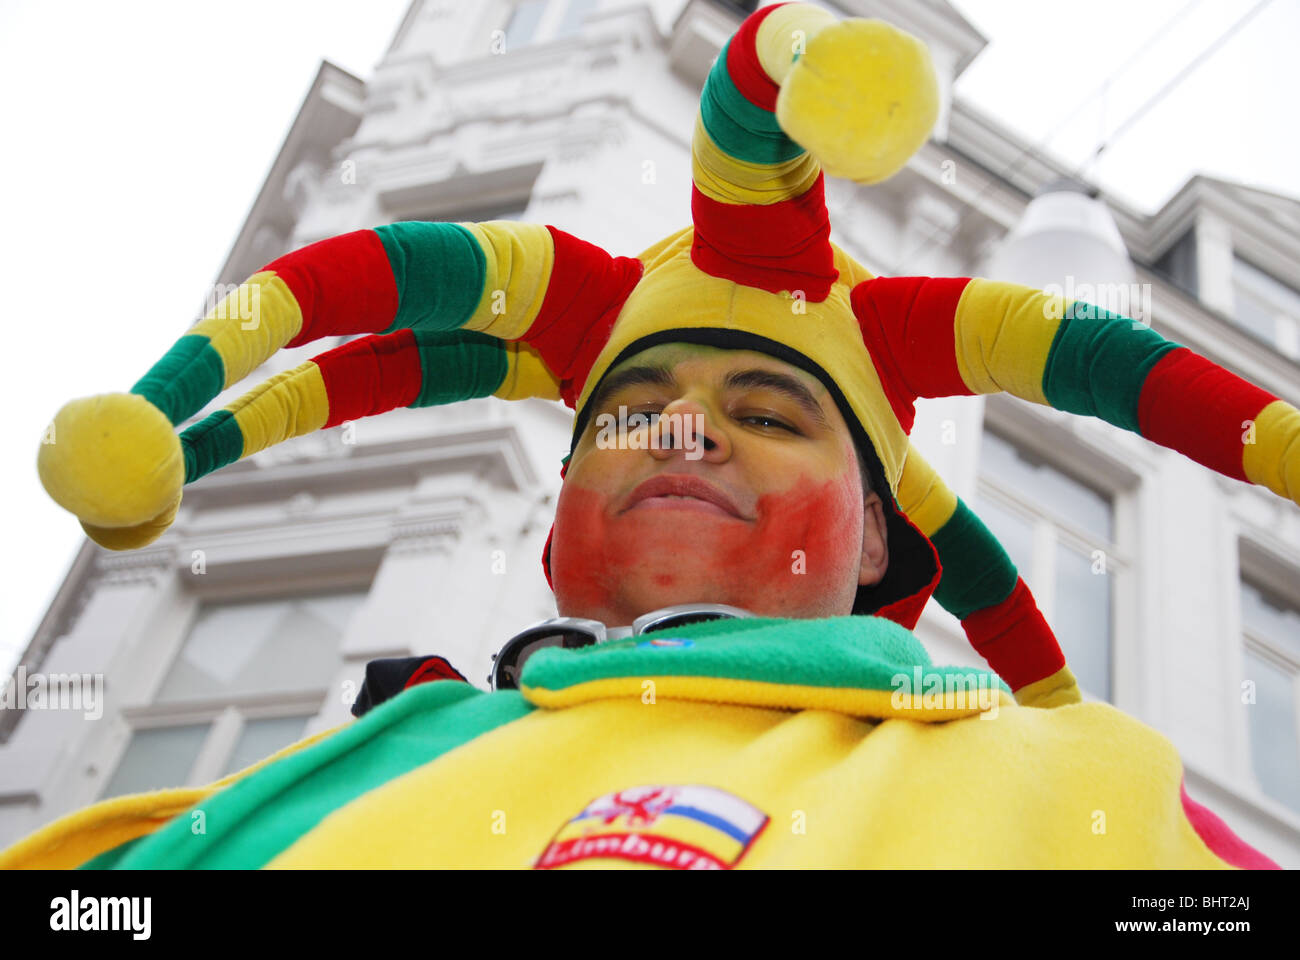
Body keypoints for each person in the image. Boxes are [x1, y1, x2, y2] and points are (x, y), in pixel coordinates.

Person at [5, 2, 1294, 868]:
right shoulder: (289, 791)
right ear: (558, 523)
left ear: (875, 548)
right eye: (629, 409)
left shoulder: (1090, 799)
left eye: (769, 410)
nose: (682, 429)